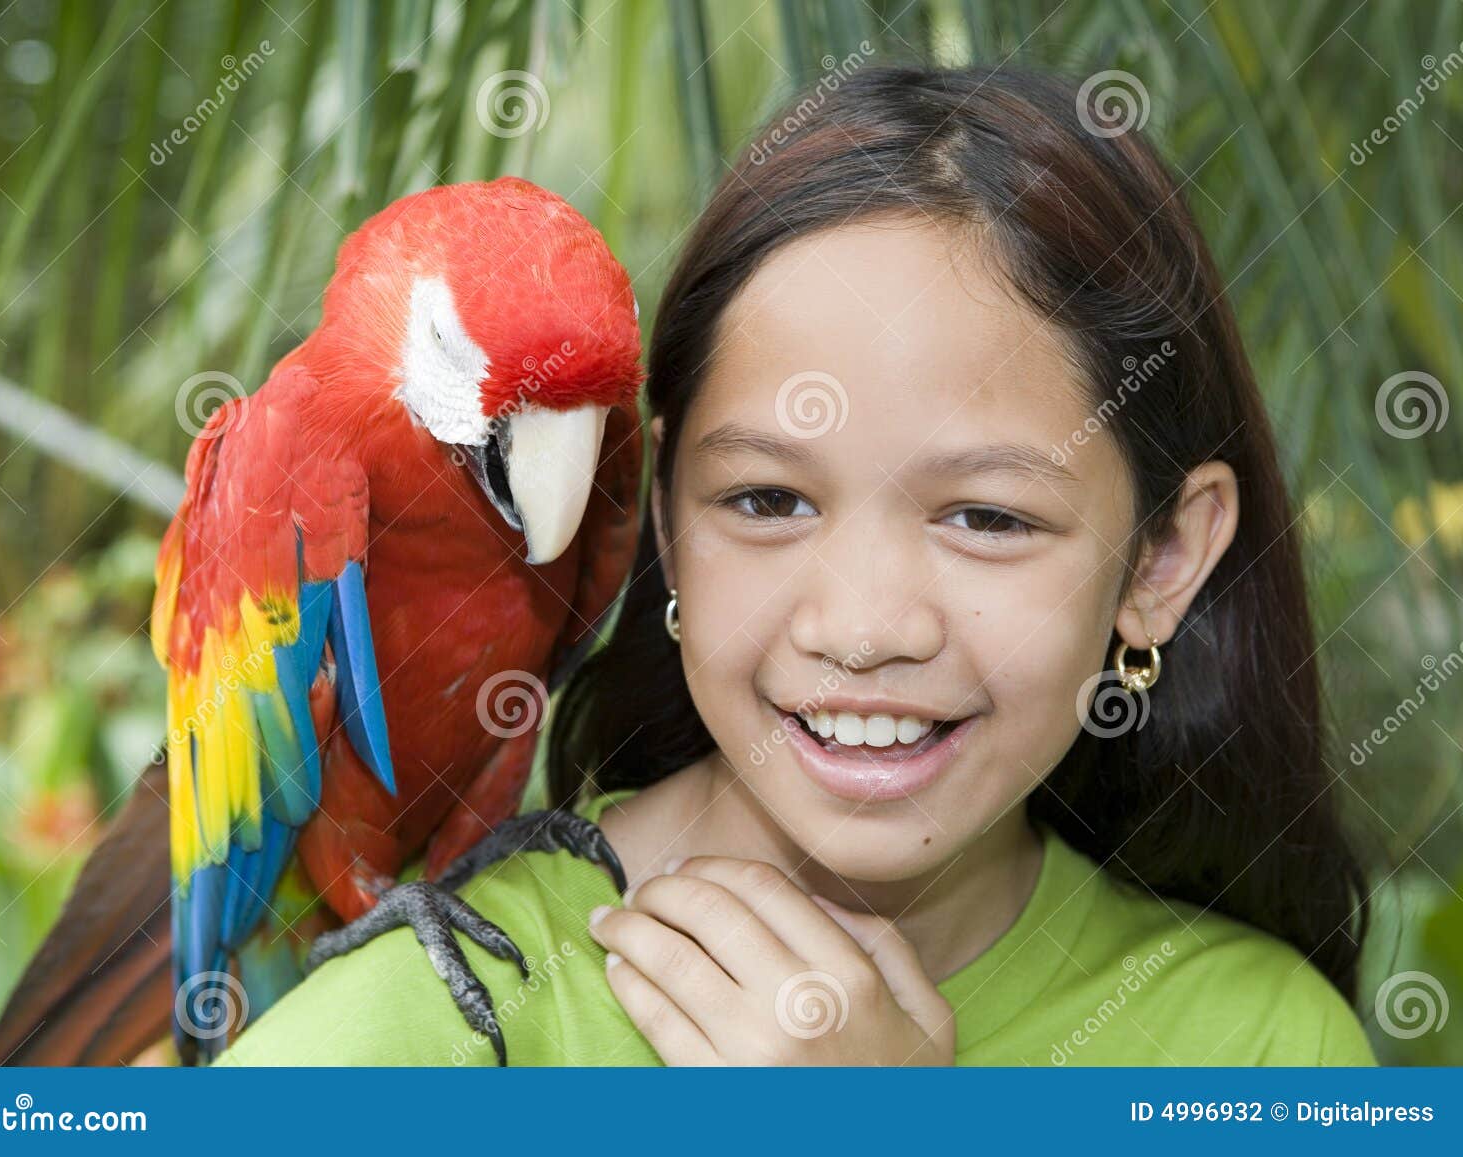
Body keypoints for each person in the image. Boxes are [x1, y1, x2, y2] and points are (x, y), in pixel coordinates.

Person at [216, 64, 1377, 1067]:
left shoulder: (1266, 1041)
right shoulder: (397, 1038)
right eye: (766, 499)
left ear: (1161, 559)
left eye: (985, 517)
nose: (863, 626)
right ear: (663, 517)